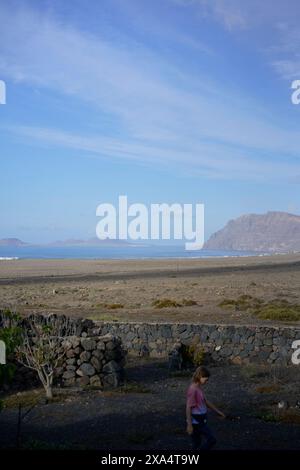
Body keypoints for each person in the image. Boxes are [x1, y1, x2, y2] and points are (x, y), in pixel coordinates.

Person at [186, 366, 225, 450]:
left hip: (201, 419)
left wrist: (218, 412)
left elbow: (206, 401)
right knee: (211, 440)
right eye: (206, 379)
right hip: (197, 422)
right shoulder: (193, 390)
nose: (207, 382)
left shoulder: (198, 388)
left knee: (197, 443)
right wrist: (189, 425)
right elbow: (188, 407)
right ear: (200, 377)